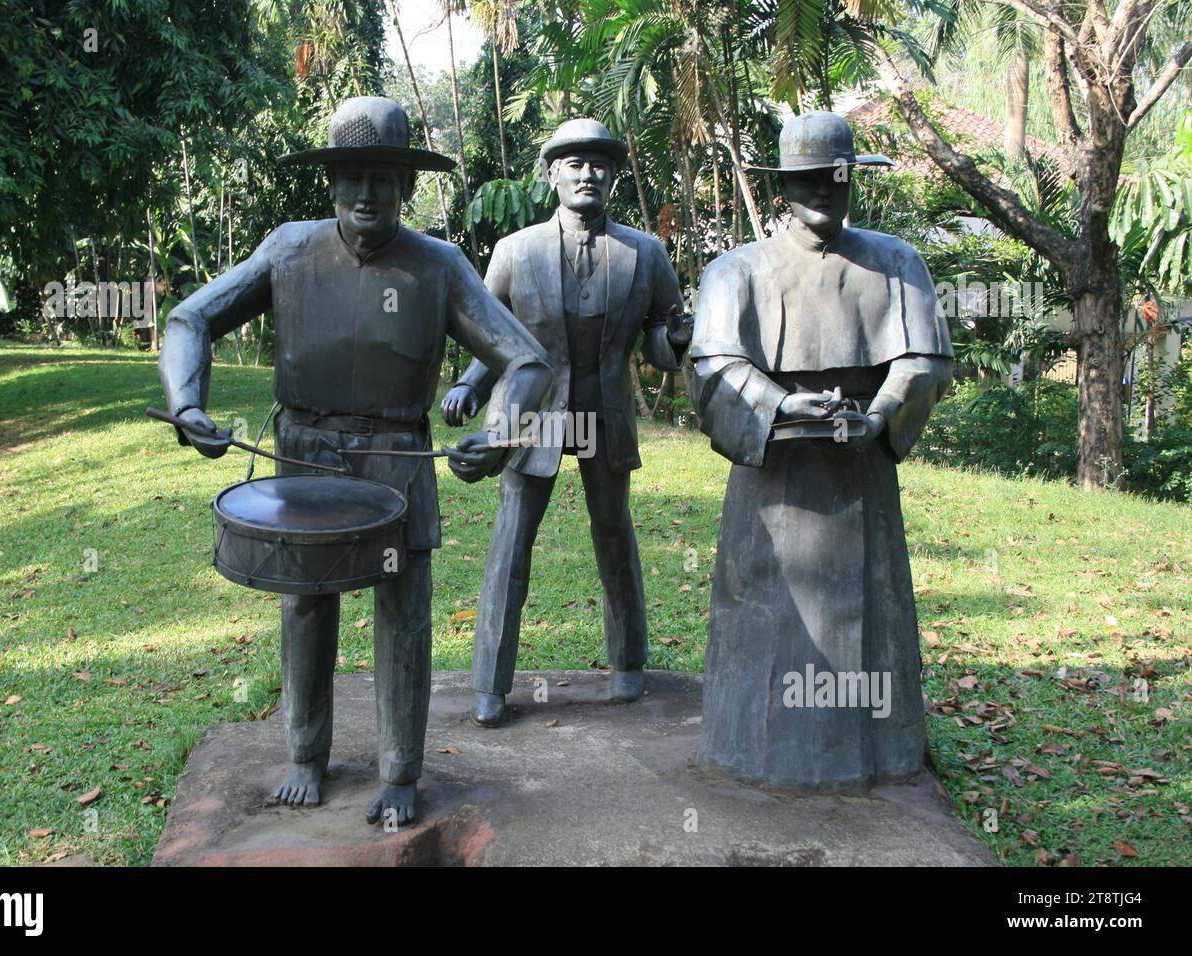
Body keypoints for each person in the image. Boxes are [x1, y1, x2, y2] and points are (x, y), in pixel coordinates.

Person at [158, 96, 551, 825]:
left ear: (405, 186)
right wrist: (187, 405)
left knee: (403, 614)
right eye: (351, 177)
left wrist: (499, 436)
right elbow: (191, 317)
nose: (365, 194)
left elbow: (525, 359)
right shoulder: (289, 250)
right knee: (305, 605)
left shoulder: (439, 267)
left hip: (397, 460)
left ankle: (400, 772)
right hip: (303, 459)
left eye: (380, 178)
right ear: (330, 184)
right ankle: (305, 755)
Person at [688, 111, 953, 788]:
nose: (826, 191)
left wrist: (882, 412)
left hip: (861, 471)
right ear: (784, 188)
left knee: (870, 613)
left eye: (837, 178)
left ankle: (881, 755)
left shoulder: (895, 261)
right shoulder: (736, 271)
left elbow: (922, 358)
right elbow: (715, 364)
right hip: (772, 475)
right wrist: (779, 404)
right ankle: (750, 748)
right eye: (810, 180)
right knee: (764, 616)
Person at [442, 119, 691, 727]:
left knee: (614, 537)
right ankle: (490, 683)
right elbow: (488, 336)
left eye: (598, 164)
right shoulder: (515, 251)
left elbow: (660, 341)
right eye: (573, 163)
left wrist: (675, 339)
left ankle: (629, 663)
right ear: (552, 174)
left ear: (613, 175)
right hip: (532, 419)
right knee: (511, 543)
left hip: (603, 416)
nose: (587, 174)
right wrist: (470, 386)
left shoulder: (645, 254)